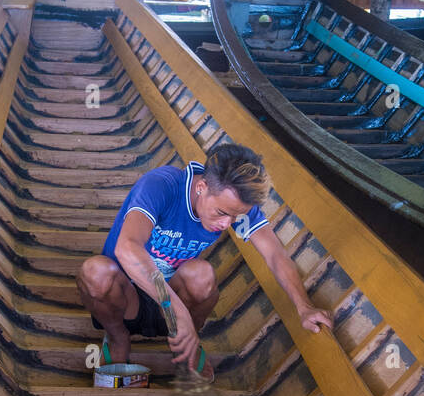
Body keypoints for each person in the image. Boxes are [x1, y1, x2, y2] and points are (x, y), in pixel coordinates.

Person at [77, 142, 333, 379]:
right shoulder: (162, 185)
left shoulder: (236, 205)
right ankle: (118, 338)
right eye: (221, 213)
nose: (226, 224)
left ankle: (185, 343)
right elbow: (127, 248)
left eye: (234, 217)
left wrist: (303, 306)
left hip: (170, 302)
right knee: (96, 272)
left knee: (202, 274)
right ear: (201, 188)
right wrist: (176, 310)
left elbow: (274, 254)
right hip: (127, 297)